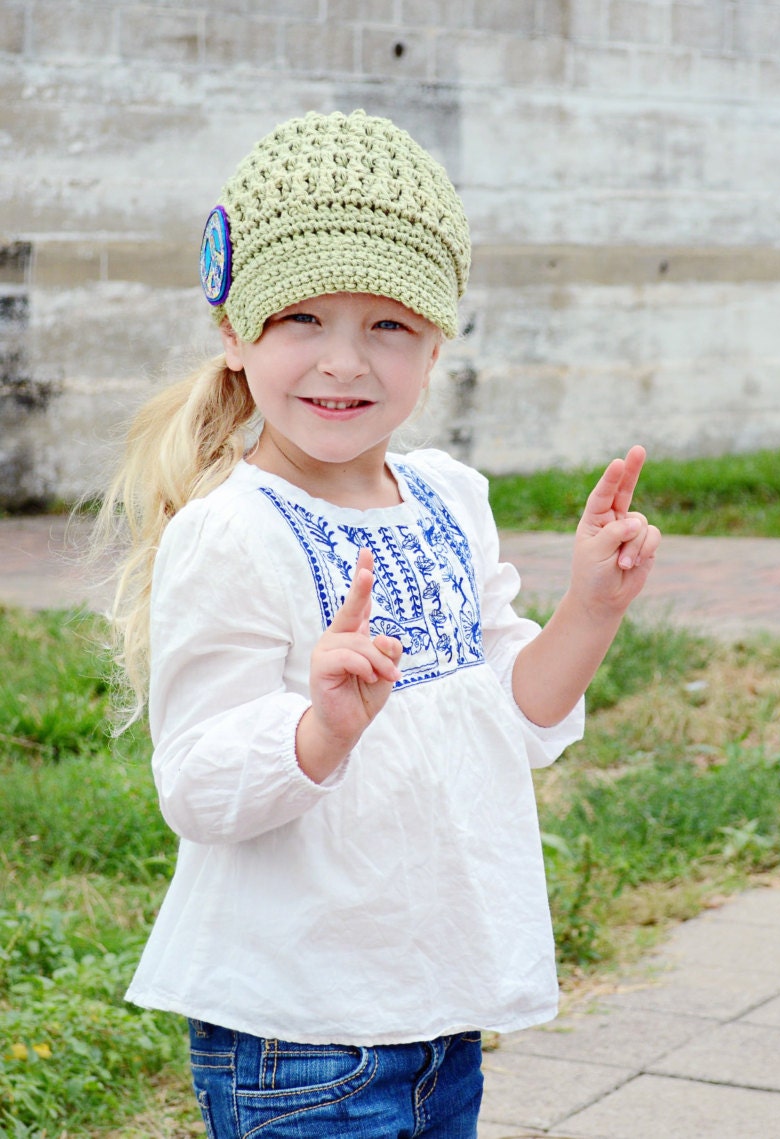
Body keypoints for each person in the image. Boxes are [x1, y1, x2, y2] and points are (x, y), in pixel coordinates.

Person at [94, 109, 661, 1138]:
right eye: (302, 318)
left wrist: (590, 607)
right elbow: (198, 778)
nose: (344, 362)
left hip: (437, 1012)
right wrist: (321, 730)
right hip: (299, 1030)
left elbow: (515, 712)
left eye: (387, 324)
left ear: (438, 339)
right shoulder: (232, 532)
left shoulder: (451, 499)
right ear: (235, 332)